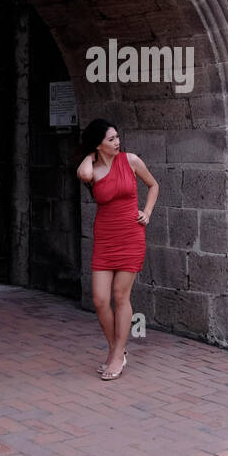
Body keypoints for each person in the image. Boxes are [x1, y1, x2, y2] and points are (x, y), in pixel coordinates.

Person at [75, 119, 158, 380]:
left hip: (131, 236)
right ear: (98, 144)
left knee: (121, 296)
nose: (117, 143)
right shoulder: (93, 169)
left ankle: (117, 354)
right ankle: (116, 350)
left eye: (117, 138)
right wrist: (90, 154)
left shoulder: (131, 160)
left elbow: (153, 185)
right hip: (105, 238)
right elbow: (83, 174)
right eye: (110, 139)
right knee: (100, 299)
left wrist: (147, 212)